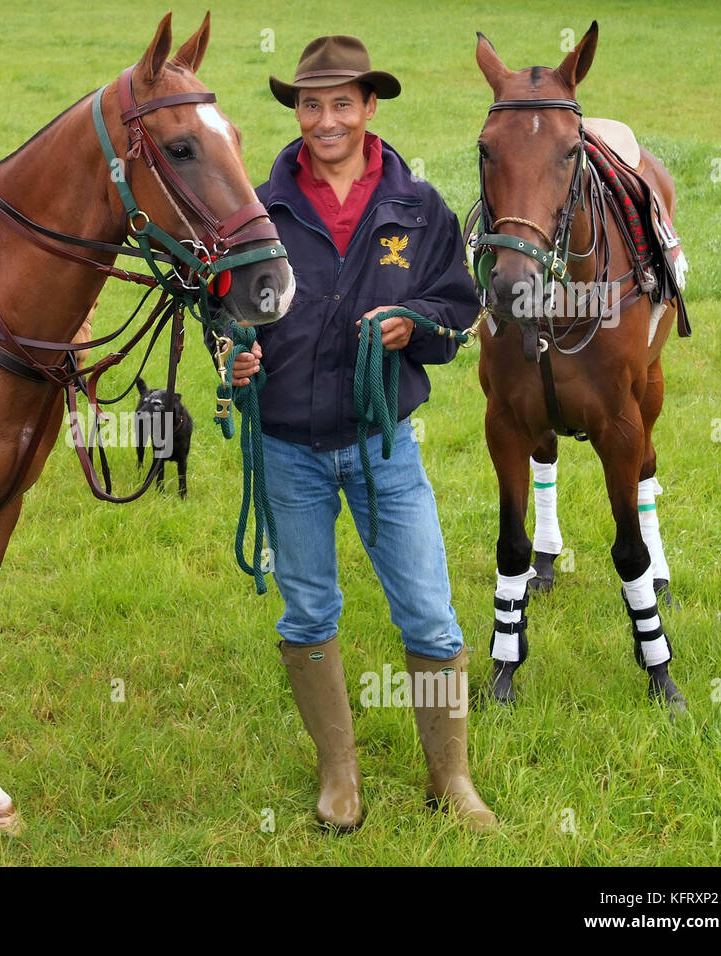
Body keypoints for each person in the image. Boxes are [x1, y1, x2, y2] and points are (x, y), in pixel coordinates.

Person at [228, 35, 495, 830]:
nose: (326, 119)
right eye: (312, 104)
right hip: (286, 449)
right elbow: (230, 309)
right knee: (307, 611)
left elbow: (460, 306)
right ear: (298, 112)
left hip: (385, 446)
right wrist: (236, 357)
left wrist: (419, 326)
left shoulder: (418, 209)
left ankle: (451, 779)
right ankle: (338, 778)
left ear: (369, 107)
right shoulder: (258, 210)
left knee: (431, 614)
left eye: (342, 103)